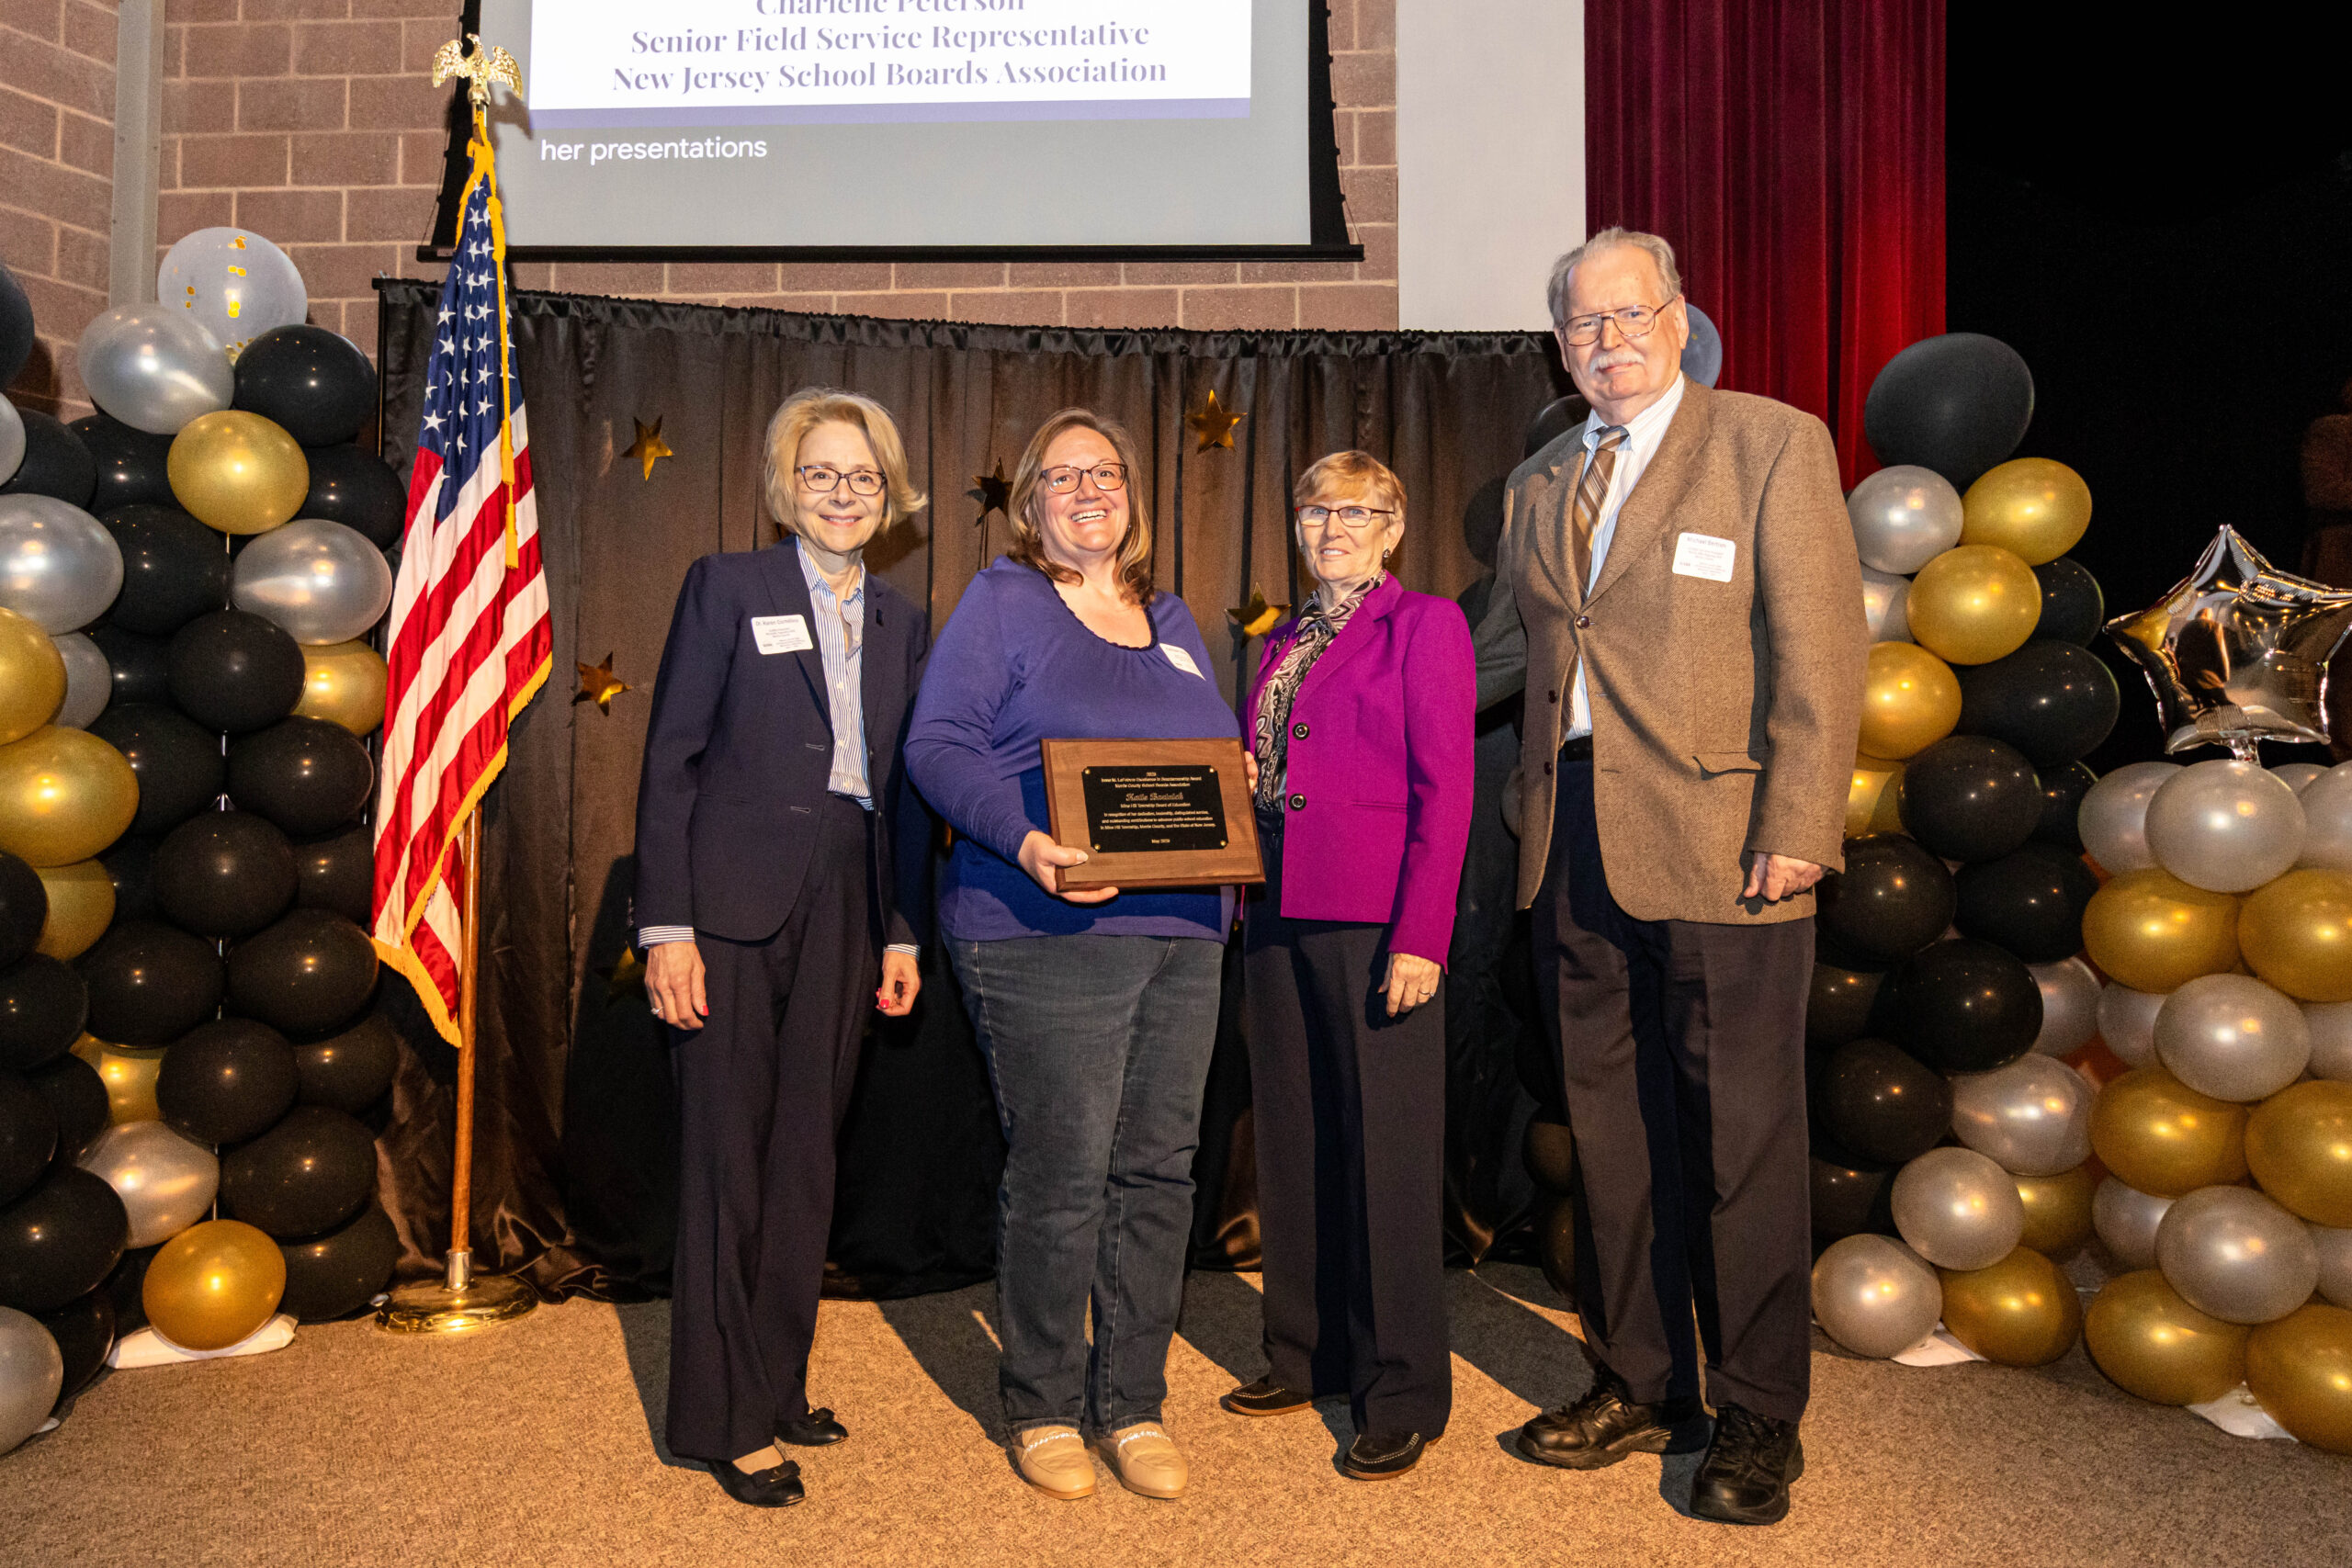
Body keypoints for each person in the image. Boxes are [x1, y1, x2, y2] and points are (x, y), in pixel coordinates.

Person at [1472, 228, 1865, 1526]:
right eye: (1582, 325)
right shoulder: (1539, 480)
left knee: (1744, 1141)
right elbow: (1490, 661)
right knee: (1611, 1135)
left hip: (1728, 841)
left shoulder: (1768, 441)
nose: (1608, 340)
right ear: (1559, 342)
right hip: (1569, 835)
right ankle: (1640, 1376)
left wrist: (1799, 816)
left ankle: (1759, 1412)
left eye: (1630, 314)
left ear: (1678, 314)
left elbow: (1819, 652)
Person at [904, 408, 1238, 1504]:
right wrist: (1033, 842)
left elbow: (1213, 770)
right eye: (1061, 477)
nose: (1088, 491)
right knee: (1064, 1172)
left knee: (1158, 1170)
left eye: (1105, 473)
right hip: (1040, 930)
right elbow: (937, 745)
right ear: (1029, 503)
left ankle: (1132, 1401)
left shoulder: (1173, 614)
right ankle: (1043, 1404)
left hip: (1183, 935)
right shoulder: (1004, 603)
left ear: (1133, 493)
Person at [631, 388, 933, 1508]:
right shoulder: (728, 587)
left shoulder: (906, 620)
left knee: (807, 1157)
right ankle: (721, 1418)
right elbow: (669, 763)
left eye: (862, 478)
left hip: (851, 900)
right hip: (727, 904)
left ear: (889, 494)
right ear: (785, 486)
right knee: (728, 1161)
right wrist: (666, 925)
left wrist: (901, 927)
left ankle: (778, 1380)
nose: (843, 495)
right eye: (820, 475)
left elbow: (902, 792)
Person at [1219, 452, 1474, 1480]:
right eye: (1316, 508)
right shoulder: (1280, 636)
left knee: (1389, 1154)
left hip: (1376, 920)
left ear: (1394, 527)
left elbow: (1445, 791)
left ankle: (1401, 1386)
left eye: (1356, 511)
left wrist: (1422, 934)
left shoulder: (1426, 626)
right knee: (1294, 1137)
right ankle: (1307, 1350)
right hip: (1276, 902)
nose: (1332, 525)